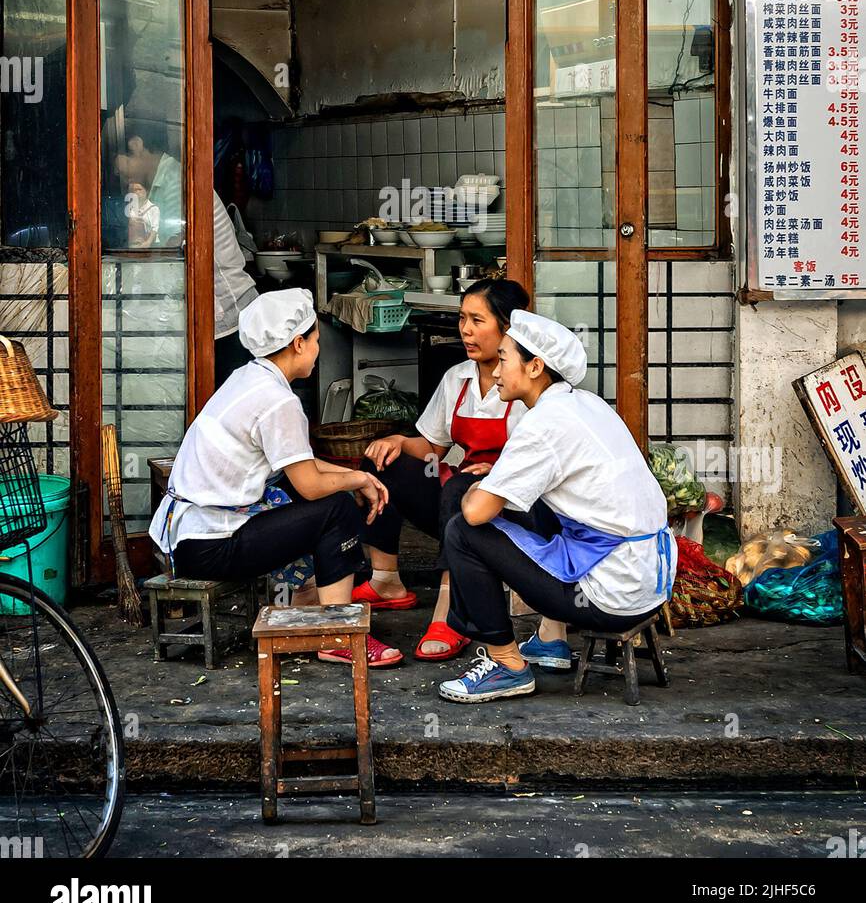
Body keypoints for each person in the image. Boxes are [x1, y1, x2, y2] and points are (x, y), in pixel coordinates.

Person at [148, 288, 403, 668]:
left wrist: (359, 476)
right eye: (316, 341)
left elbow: (300, 465)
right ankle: (337, 635)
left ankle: (307, 603)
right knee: (335, 508)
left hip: (188, 538)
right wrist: (357, 482)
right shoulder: (279, 401)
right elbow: (311, 483)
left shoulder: (249, 377)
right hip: (212, 547)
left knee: (306, 493)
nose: (319, 350)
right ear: (298, 343)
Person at [438, 310, 676, 703]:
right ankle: (550, 640)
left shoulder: (543, 424)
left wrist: (475, 487)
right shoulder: (586, 404)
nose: (495, 372)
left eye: (503, 359)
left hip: (611, 597)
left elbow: (476, 512)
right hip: (650, 582)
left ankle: (506, 664)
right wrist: (500, 480)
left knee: (462, 530)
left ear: (535, 366)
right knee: (528, 505)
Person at [355, 278, 530, 661]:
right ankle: (386, 581)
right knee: (380, 461)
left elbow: (546, 460)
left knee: (458, 486)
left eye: (477, 320)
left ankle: (451, 613)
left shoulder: (529, 382)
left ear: (507, 326)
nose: (465, 330)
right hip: (462, 503)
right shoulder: (458, 378)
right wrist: (399, 442)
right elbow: (432, 446)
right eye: (462, 319)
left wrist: (500, 472)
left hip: (513, 508)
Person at [114, 128, 258, 388]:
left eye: (119, 165)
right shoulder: (160, 183)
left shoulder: (176, 183)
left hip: (227, 314)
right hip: (215, 314)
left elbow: (170, 253)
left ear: (137, 144)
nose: (119, 175)